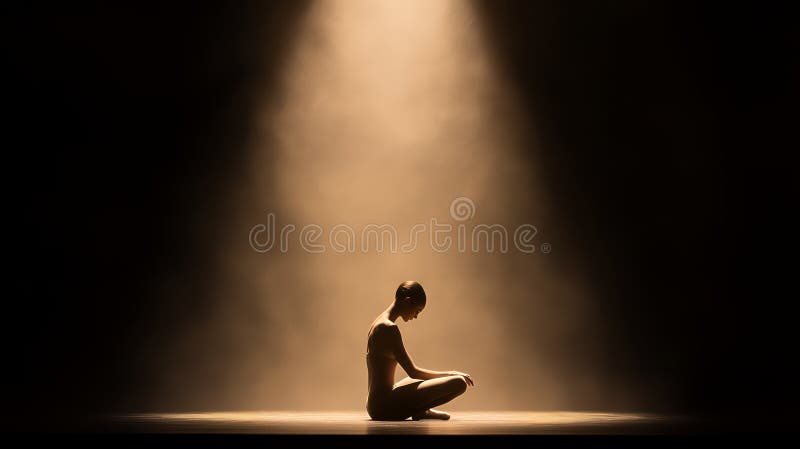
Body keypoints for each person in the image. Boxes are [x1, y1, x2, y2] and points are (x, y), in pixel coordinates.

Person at [366, 281, 474, 420]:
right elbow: (413, 372)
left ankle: (421, 410)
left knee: (411, 381)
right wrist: (451, 373)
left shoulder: (378, 322)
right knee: (459, 383)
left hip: (374, 403)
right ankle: (420, 408)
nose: (416, 316)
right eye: (417, 311)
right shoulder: (388, 328)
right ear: (407, 301)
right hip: (383, 407)